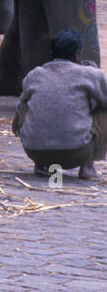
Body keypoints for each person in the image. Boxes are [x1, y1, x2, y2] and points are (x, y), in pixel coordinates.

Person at [13, 30, 107, 180]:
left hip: (35, 151)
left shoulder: (34, 74)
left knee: (24, 105)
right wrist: (96, 72)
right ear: (77, 55)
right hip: (76, 153)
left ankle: (41, 165)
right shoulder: (90, 74)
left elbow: (20, 109)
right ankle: (88, 167)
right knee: (103, 111)